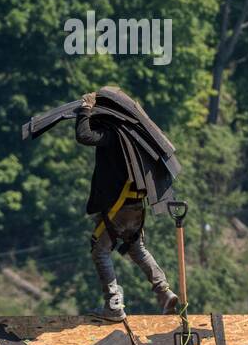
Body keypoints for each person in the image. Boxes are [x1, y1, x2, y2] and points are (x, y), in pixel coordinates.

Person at [75, 91, 179, 321]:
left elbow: (84, 135)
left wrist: (84, 109)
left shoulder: (113, 134)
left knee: (100, 250)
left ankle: (113, 306)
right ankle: (164, 292)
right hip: (136, 205)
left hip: (118, 206)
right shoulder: (135, 135)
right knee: (136, 248)